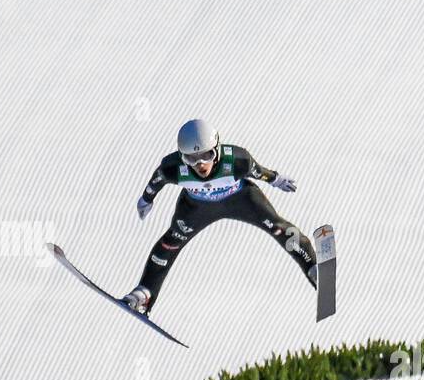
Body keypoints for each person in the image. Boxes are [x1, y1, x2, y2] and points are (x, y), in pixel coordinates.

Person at [122, 119, 317, 314]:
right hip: (197, 207)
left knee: (277, 226)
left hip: (241, 200)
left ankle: (312, 266)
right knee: (171, 242)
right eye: (191, 158)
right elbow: (157, 180)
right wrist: (146, 199)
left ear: (218, 149)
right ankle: (144, 293)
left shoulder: (237, 160)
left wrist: (276, 179)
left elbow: (259, 172)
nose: (200, 164)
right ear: (182, 157)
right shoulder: (172, 167)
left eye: (207, 155)